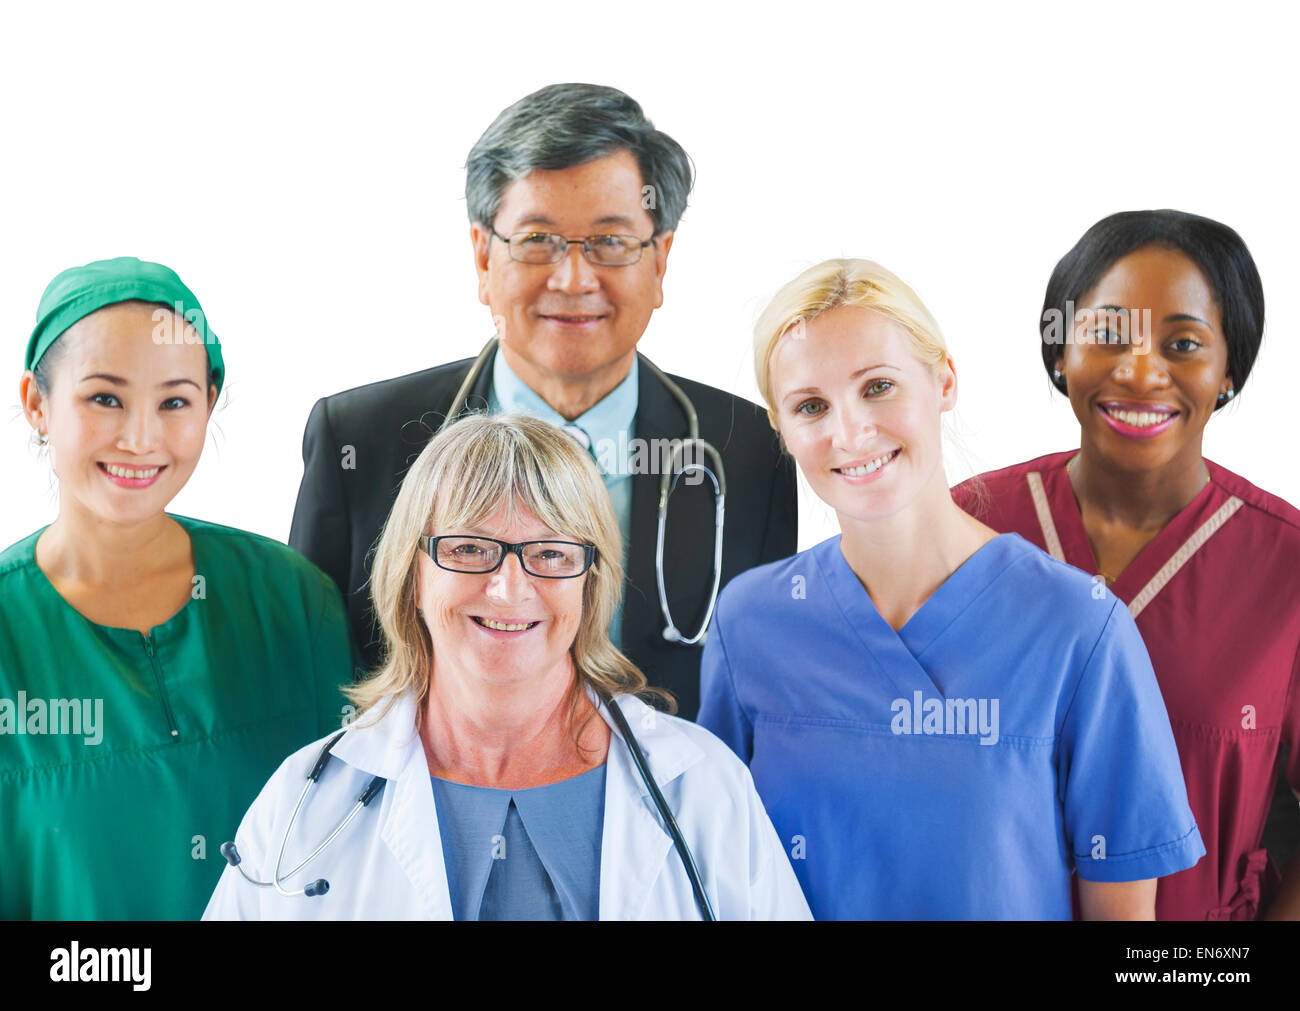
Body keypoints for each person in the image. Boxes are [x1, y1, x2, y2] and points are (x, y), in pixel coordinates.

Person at [697, 257, 1206, 920]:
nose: (848, 432)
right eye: (811, 406)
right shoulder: (751, 622)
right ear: (782, 428)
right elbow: (708, 869)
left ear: (945, 381)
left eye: (878, 386)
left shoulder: (1077, 627)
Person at [288, 83, 796, 720]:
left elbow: (765, 689)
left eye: (611, 242)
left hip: (669, 808)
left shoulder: (748, 446)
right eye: (537, 240)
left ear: (660, 260)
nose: (574, 279)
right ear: (482, 256)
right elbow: (312, 680)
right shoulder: (360, 437)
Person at [206, 413, 810, 920]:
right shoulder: (306, 801)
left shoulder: (704, 788)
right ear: (412, 573)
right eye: (469, 548)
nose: (507, 588)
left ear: (589, 583)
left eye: (550, 552)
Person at [952, 210, 1300, 920]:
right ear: (1060, 352)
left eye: (1183, 343)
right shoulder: (968, 524)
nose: (1142, 370)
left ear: (1230, 368)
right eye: (1107, 335)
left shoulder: (1286, 563)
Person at [0, 257, 353, 920]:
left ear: (209, 405)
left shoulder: (292, 602)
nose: (141, 437)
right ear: (36, 403)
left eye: (175, 401)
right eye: (104, 397)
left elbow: (361, 847)